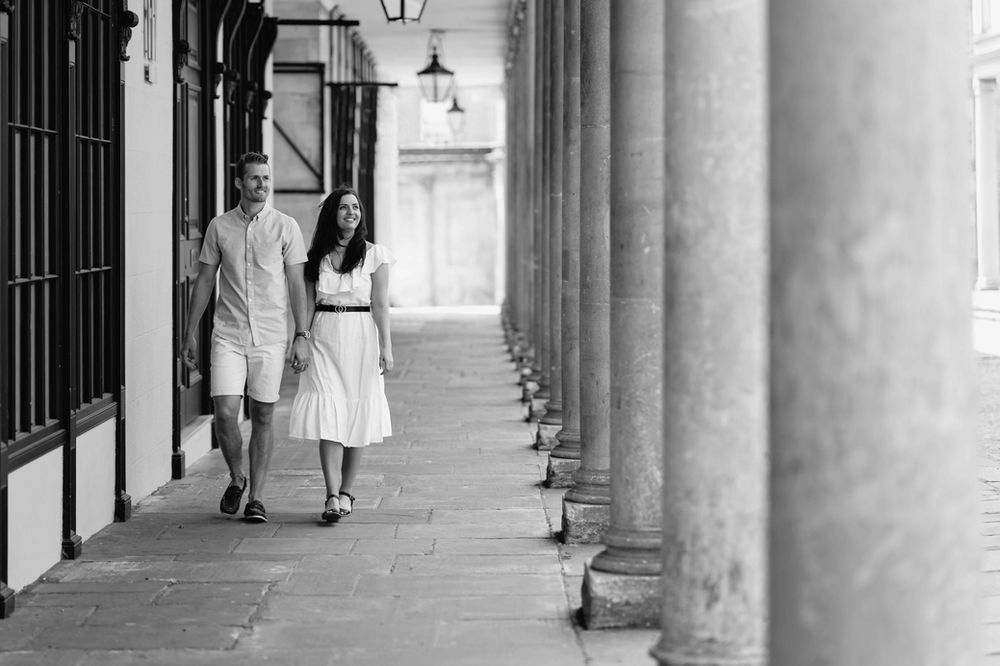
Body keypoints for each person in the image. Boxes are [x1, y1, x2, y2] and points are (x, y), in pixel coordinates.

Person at [180, 152, 312, 523]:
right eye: (254, 178)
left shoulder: (286, 227)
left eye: (266, 178)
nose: (261, 184)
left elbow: (296, 284)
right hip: (228, 333)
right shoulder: (219, 227)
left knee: (263, 414)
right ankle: (237, 477)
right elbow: (205, 281)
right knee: (225, 413)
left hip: (270, 336)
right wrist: (189, 332)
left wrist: (301, 335)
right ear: (239, 182)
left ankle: (256, 497)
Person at [288, 186, 395, 522]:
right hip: (323, 336)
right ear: (332, 214)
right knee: (329, 413)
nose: (352, 213)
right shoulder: (315, 257)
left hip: (361, 337)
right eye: (344, 207)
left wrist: (386, 346)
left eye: (356, 207)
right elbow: (307, 303)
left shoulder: (375, 255)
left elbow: (380, 305)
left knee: (356, 411)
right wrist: (300, 338)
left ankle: (347, 492)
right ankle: (332, 495)